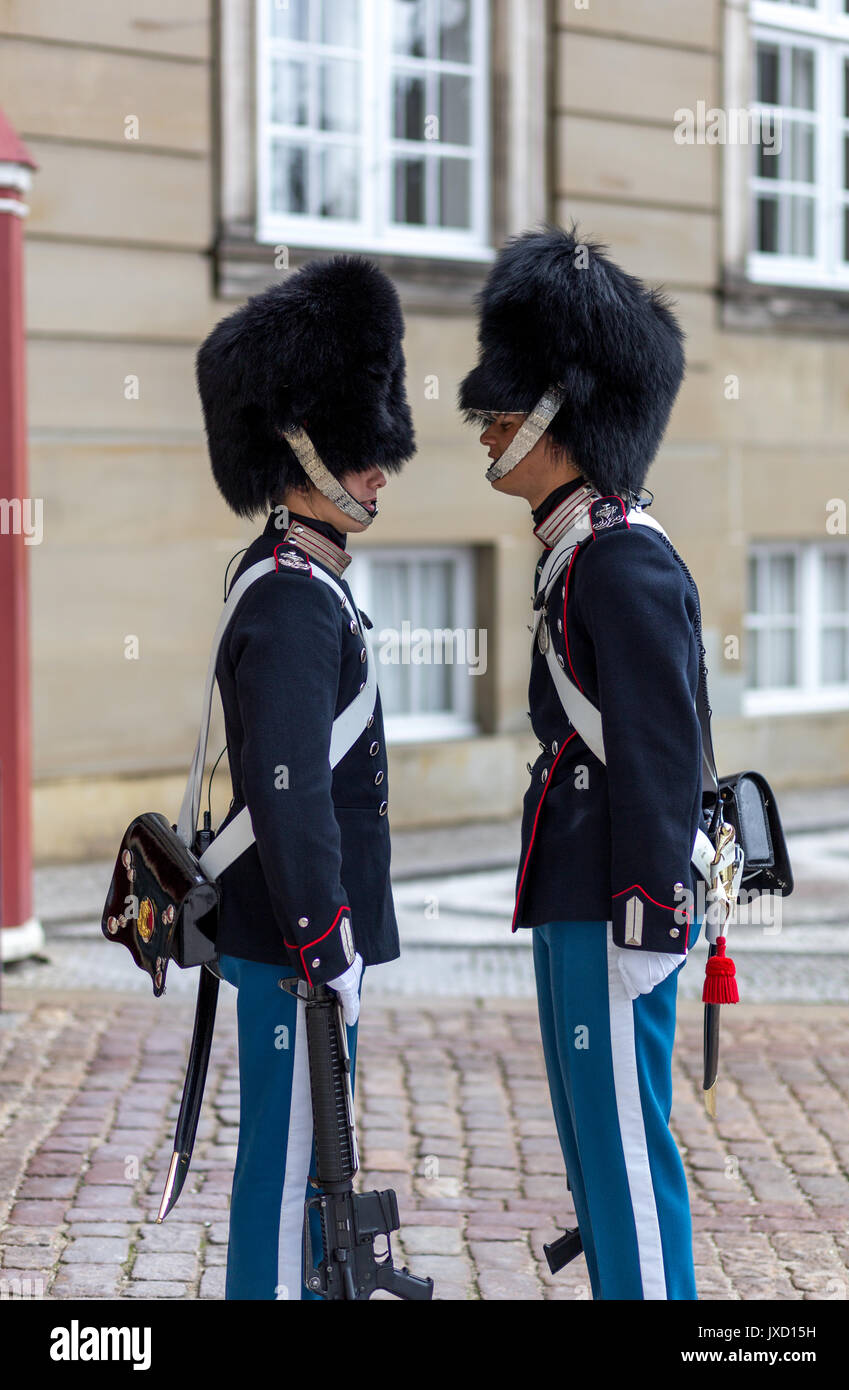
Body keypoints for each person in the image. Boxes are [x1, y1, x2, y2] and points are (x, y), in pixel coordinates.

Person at [459, 224, 708, 1300]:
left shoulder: (617, 559)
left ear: (562, 415)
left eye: (503, 417)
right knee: (593, 1158)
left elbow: (659, 750)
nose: (488, 435)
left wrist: (647, 913)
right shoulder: (580, 550)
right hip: (576, 893)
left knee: (622, 1167)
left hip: (614, 904)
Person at [195, 254, 415, 1299]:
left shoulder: (301, 580)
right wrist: (327, 937)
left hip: (296, 936)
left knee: (293, 1177)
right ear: (303, 445)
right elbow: (289, 788)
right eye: (362, 450)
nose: (379, 470)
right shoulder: (290, 596)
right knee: (288, 1185)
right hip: (297, 941)